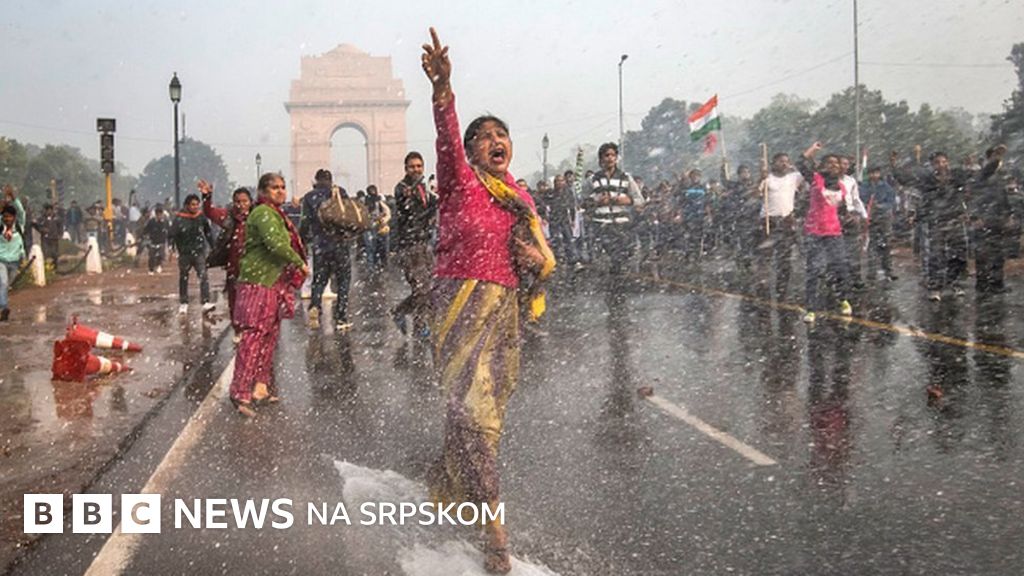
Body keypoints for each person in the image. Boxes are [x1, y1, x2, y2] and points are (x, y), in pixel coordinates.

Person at [422, 28, 553, 574]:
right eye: (486, 136)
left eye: (504, 134)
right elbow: (447, 138)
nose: (497, 140)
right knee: (474, 413)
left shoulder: (520, 198)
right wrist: (444, 91)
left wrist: (536, 261)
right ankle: (494, 527)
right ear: (472, 151)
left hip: (503, 318)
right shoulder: (461, 182)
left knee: (481, 417)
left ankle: (458, 483)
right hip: (459, 307)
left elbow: (544, 262)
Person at [229, 173, 309, 417]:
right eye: (274, 188)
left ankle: (260, 387)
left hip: (272, 282)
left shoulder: (275, 214)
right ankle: (240, 392)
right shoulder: (264, 214)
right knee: (254, 337)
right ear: (262, 191)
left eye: (283, 187)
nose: (280, 192)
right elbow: (275, 244)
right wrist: (299, 262)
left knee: (268, 338)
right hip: (258, 282)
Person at [891, 148, 972, 301]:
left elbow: (976, 178)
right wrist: (894, 166)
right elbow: (905, 179)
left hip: (954, 220)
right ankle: (935, 287)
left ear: (948, 162)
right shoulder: (926, 180)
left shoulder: (956, 177)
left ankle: (956, 284)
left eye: (943, 161)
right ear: (932, 165)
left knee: (958, 254)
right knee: (935, 256)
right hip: (935, 222)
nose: (941, 165)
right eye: (937, 162)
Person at [798, 142, 853, 323]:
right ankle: (811, 309)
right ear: (822, 166)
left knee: (840, 268)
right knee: (814, 269)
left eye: (836, 163)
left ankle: (843, 299)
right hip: (814, 231)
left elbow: (843, 210)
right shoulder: (816, 179)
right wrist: (812, 149)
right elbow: (801, 163)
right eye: (829, 163)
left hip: (834, 233)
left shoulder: (843, 187)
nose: (833, 166)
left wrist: (851, 218)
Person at [299, 169, 353, 331]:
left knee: (319, 279)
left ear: (316, 180)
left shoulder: (309, 197)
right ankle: (341, 316)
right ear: (330, 180)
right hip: (340, 243)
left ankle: (315, 306)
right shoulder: (340, 192)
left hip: (320, 245)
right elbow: (349, 216)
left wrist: (302, 240)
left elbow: (305, 222)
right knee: (343, 280)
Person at [583, 142, 645, 282]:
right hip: (602, 223)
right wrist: (597, 202)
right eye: (607, 155)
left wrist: (624, 200)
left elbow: (639, 200)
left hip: (622, 222)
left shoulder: (625, 178)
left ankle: (616, 276)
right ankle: (615, 278)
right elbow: (582, 202)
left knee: (624, 251)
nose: (610, 158)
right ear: (601, 159)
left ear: (616, 158)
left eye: (613, 155)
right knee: (613, 251)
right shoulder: (592, 180)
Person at [392, 151, 438, 338]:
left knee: (429, 287)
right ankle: (420, 326)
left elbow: (431, 208)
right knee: (421, 287)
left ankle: (400, 310)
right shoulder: (401, 188)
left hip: (425, 242)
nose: (416, 169)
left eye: (419, 166)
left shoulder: (425, 187)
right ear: (406, 168)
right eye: (412, 166)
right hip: (410, 244)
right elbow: (405, 208)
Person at [200, 180, 253, 328]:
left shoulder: (257, 218)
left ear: (250, 202)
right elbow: (209, 212)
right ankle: (238, 328)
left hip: (254, 267)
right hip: (234, 266)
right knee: (234, 299)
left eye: (244, 201)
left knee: (253, 300)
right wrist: (206, 197)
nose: (241, 205)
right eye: (237, 201)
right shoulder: (229, 217)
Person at [970, 145, 1018, 295]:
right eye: (997, 159)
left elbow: (1003, 198)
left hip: (996, 220)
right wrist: (975, 217)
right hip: (983, 220)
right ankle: (982, 284)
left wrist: (1008, 215)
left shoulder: (998, 178)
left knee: (997, 254)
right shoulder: (981, 175)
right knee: (983, 254)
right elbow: (973, 198)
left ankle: (997, 284)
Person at [757, 152, 805, 300]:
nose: (784, 164)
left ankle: (782, 286)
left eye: (786, 161)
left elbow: (807, 172)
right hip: (768, 221)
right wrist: (761, 176)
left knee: (785, 256)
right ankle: (762, 283)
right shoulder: (767, 178)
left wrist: (795, 165)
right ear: (773, 163)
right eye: (780, 161)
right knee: (766, 255)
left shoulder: (794, 177)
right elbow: (756, 192)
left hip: (786, 221)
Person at [170, 194, 215, 314]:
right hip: (184, 253)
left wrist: (213, 246)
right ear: (187, 205)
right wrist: (171, 248)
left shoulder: (201, 217)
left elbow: (208, 233)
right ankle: (184, 302)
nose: (195, 207)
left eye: (197, 204)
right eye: (193, 205)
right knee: (184, 277)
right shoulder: (179, 219)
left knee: (203, 276)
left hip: (199, 251)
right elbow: (172, 235)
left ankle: (205, 301)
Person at [859, 166, 898, 281]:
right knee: (872, 244)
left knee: (886, 243)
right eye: (871, 173)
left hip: (884, 218)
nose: (873, 175)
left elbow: (891, 202)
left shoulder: (886, 187)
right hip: (870, 218)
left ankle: (889, 270)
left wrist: (880, 206)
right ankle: (872, 271)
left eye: (876, 173)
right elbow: (861, 200)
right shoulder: (864, 186)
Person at [0, 186, 26, 321]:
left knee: (7, 285)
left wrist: (14, 199)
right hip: (1, 260)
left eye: (9, 216)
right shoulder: (0, 226)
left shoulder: (20, 226)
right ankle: (3, 308)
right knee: (3, 283)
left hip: (15, 262)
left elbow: (21, 212)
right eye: (5, 217)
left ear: (14, 217)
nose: (7, 219)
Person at [363, 184, 392, 271]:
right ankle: (373, 268)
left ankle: (381, 267)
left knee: (380, 249)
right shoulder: (365, 202)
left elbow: (387, 213)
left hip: (379, 227)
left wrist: (383, 220)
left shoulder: (379, 202)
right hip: (370, 228)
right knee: (371, 249)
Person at [142, 205, 170, 274]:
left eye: (160, 214)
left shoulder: (165, 222)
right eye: (158, 214)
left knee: (160, 255)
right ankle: (151, 269)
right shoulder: (151, 222)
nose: (159, 216)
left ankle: (159, 265)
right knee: (151, 256)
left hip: (162, 241)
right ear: (156, 214)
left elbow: (169, 230)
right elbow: (146, 230)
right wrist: (144, 236)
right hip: (153, 241)